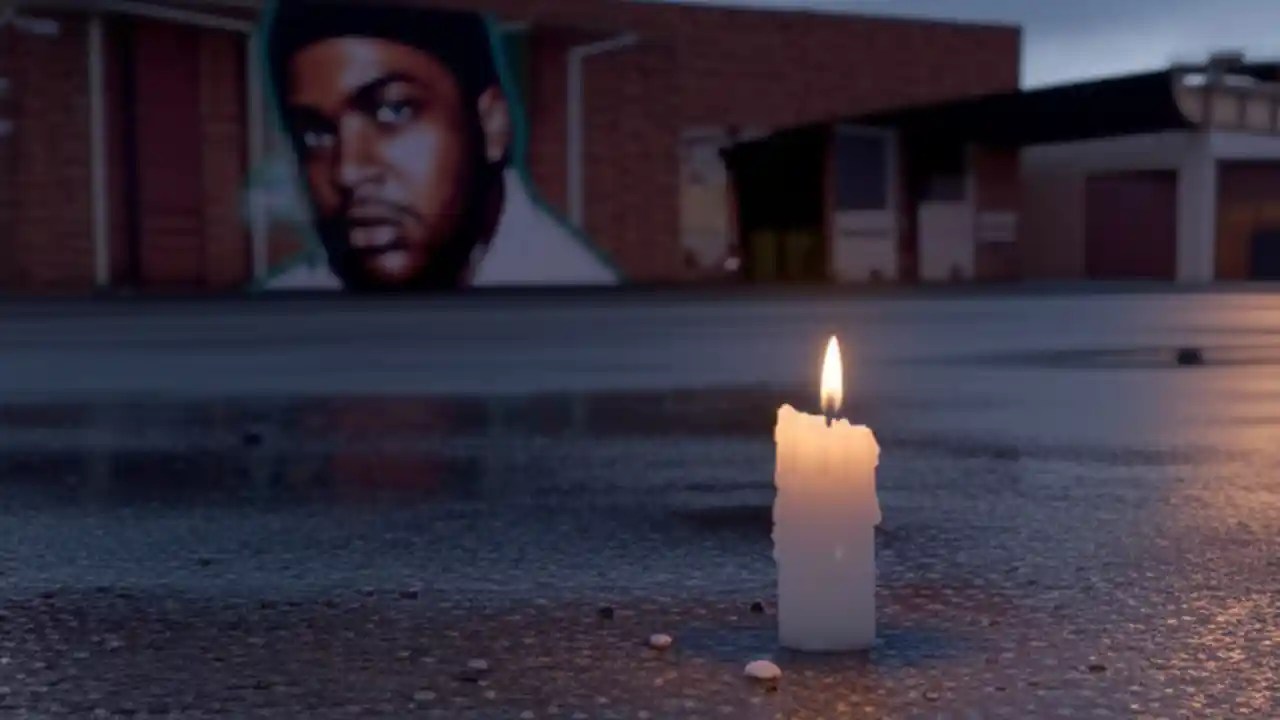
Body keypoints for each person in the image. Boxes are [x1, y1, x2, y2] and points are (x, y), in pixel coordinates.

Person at [262, 0, 618, 290]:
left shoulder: (582, 321)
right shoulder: (275, 327)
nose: (348, 171)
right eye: (315, 133)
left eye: (394, 110)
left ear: (492, 125)